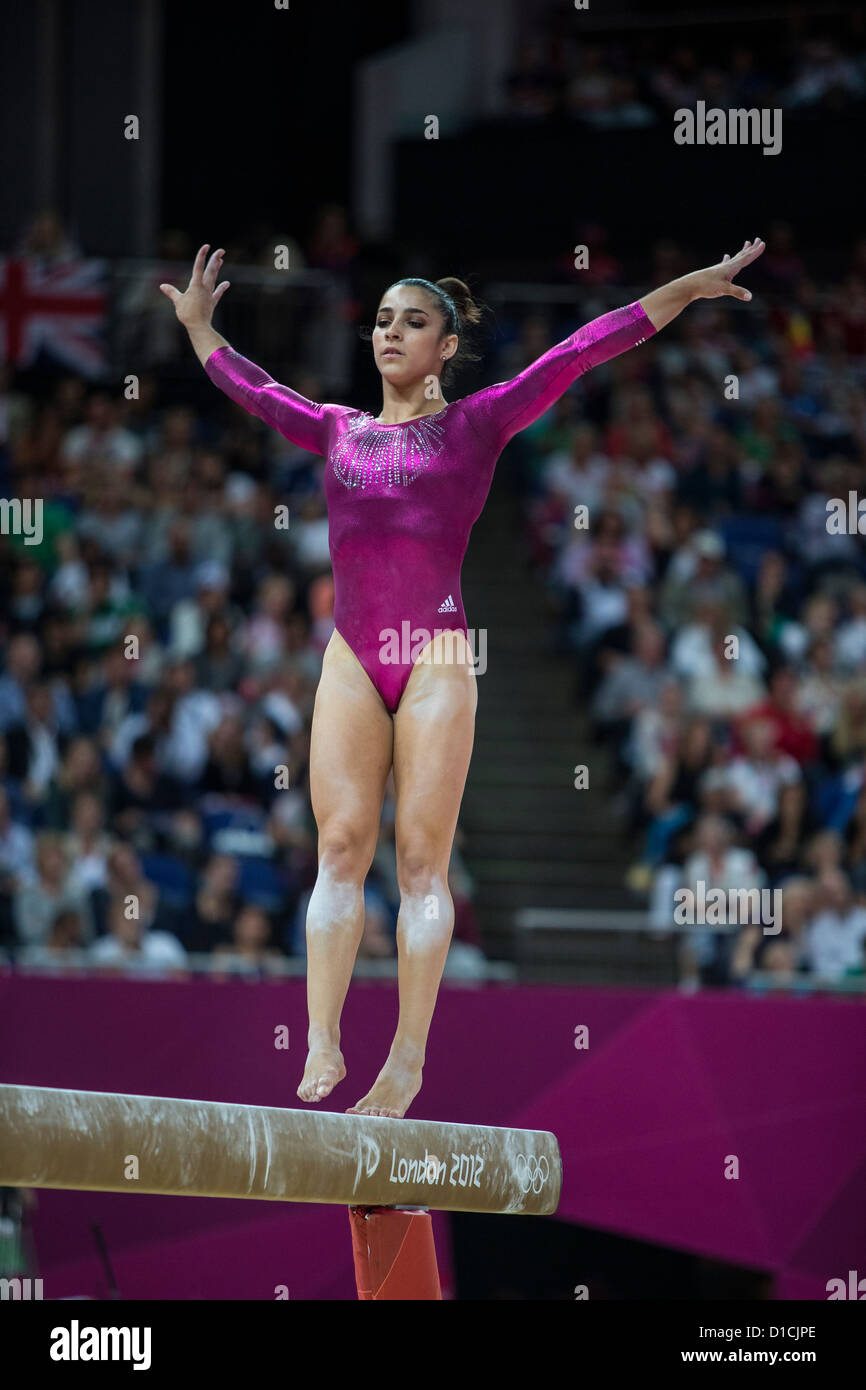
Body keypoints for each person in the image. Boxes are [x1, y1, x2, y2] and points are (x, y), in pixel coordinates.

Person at [161, 236, 765, 1117]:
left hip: (438, 655)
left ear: (447, 345)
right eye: (380, 321)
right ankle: (323, 1034)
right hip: (350, 657)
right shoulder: (337, 428)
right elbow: (257, 391)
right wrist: (198, 329)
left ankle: (407, 1059)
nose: (389, 334)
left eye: (412, 322)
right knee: (338, 847)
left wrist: (683, 289)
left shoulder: (478, 423)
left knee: (419, 865)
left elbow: (581, 349)